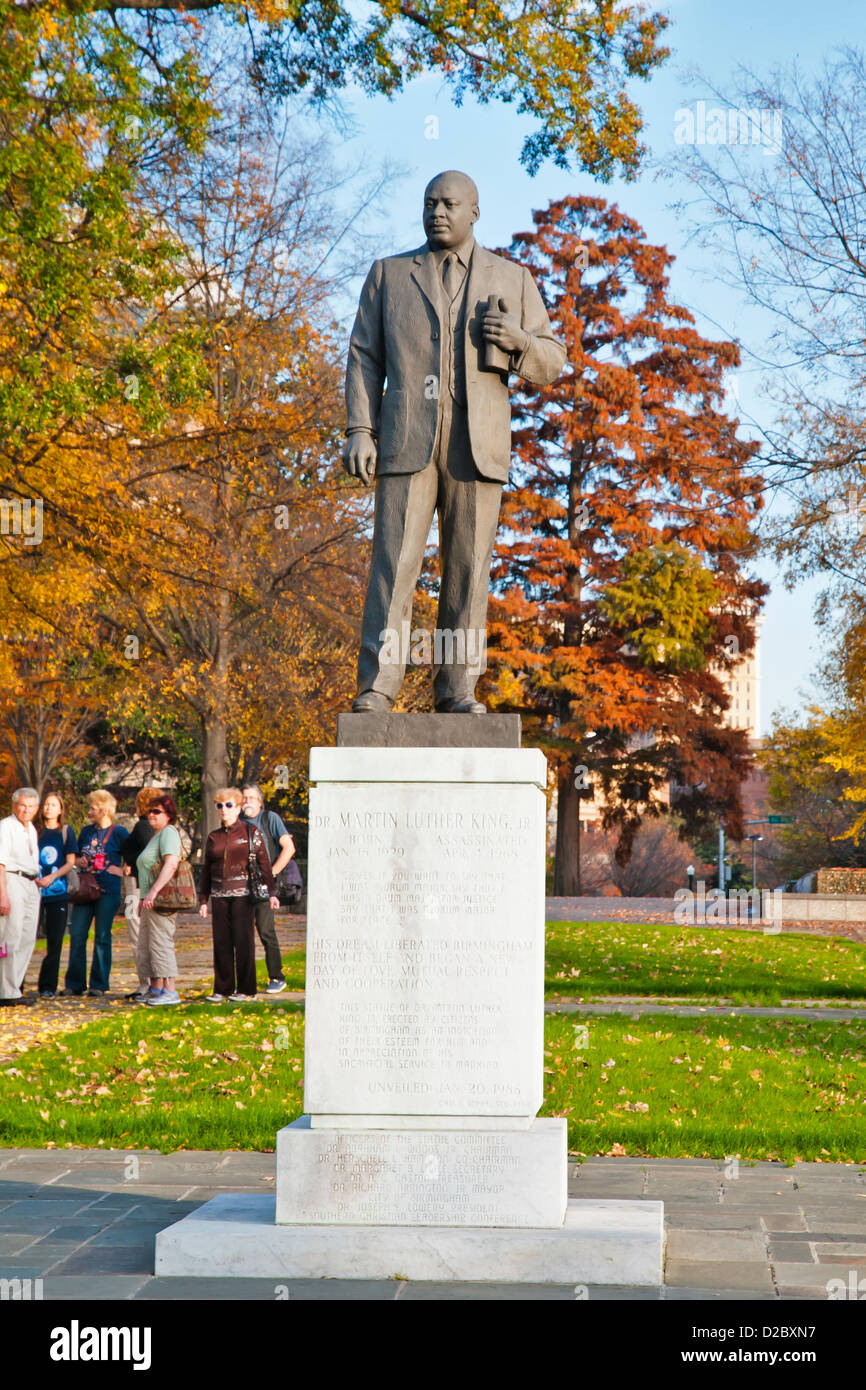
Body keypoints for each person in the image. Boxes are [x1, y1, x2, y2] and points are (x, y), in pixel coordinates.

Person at [343, 169, 565, 713]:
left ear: (475, 212)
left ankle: (457, 687)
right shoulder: (389, 275)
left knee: (467, 569)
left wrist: (518, 343)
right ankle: (378, 686)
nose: (437, 212)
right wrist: (359, 429)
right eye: (429, 203)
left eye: (448, 204)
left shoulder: (511, 278)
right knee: (393, 567)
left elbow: (553, 360)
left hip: (477, 447)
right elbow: (363, 357)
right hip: (404, 442)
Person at [198, 787, 278, 1003]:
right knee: (221, 942)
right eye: (220, 805)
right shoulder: (213, 837)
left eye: (229, 805)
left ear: (238, 807)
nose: (224, 809)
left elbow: (264, 864)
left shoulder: (251, 832)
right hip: (219, 895)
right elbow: (206, 869)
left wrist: (272, 893)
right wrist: (203, 899)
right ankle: (222, 988)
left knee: (243, 941)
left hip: (244, 894)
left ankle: (246, 988)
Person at [63, 790, 129, 997]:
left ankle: (98, 984)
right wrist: (80, 862)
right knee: (77, 935)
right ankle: (75, 983)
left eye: (93, 807)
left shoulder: (119, 833)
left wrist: (122, 870)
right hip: (86, 889)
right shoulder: (86, 832)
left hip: (108, 890)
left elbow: (133, 857)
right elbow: (79, 855)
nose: (89, 811)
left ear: (104, 810)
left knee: (102, 936)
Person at [240, 784, 296, 994]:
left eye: (252, 798)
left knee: (265, 931)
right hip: (241, 885)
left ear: (260, 802)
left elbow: (289, 848)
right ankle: (245, 980)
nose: (248, 802)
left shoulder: (270, 819)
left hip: (263, 886)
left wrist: (271, 873)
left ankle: (276, 977)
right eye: (244, 798)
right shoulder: (236, 821)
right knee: (241, 934)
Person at [136, 794, 183, 1007]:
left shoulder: (169, 833)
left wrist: (154, 892)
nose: (151, 815)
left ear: (168, 815)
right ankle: (155, 989)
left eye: (157, 811)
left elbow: (171, 864)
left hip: (161, 900)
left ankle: (170, 991)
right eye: (149, 811)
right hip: (149, 899)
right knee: (147, 944)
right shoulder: (155, 836)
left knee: (161, 942)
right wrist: (142, 897)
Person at [0, 788, 41, 1006]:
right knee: (10, 936)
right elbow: (1, 862)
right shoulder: (6, 826)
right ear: (15, 805)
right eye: (23, 805)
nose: (26, 810)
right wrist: (3, 894)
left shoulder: (31, 829)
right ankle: (5, 990)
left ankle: (14, 986)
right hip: (11, 879)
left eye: (31, 806)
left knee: (27, 937)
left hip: (30, 882)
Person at [36, 792, 78, 999]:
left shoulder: (66, 832)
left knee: (55, 940)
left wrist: (52, 877)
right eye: (46, 804)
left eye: (53, 805)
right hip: (32, 892)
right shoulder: (34, 831)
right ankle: (14, 984)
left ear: (60, 809)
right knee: (23, 940)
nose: (49, 808)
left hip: (57, 892)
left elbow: (71, 861)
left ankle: (47, 986)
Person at [120, 787, 159, 1001]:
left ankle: (146, 983)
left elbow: (147, 854)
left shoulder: (142, 826)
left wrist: (130, 863)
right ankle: (146, 982)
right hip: (138, 884)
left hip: (136, 886)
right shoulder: (150, 827)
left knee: (138, 935)